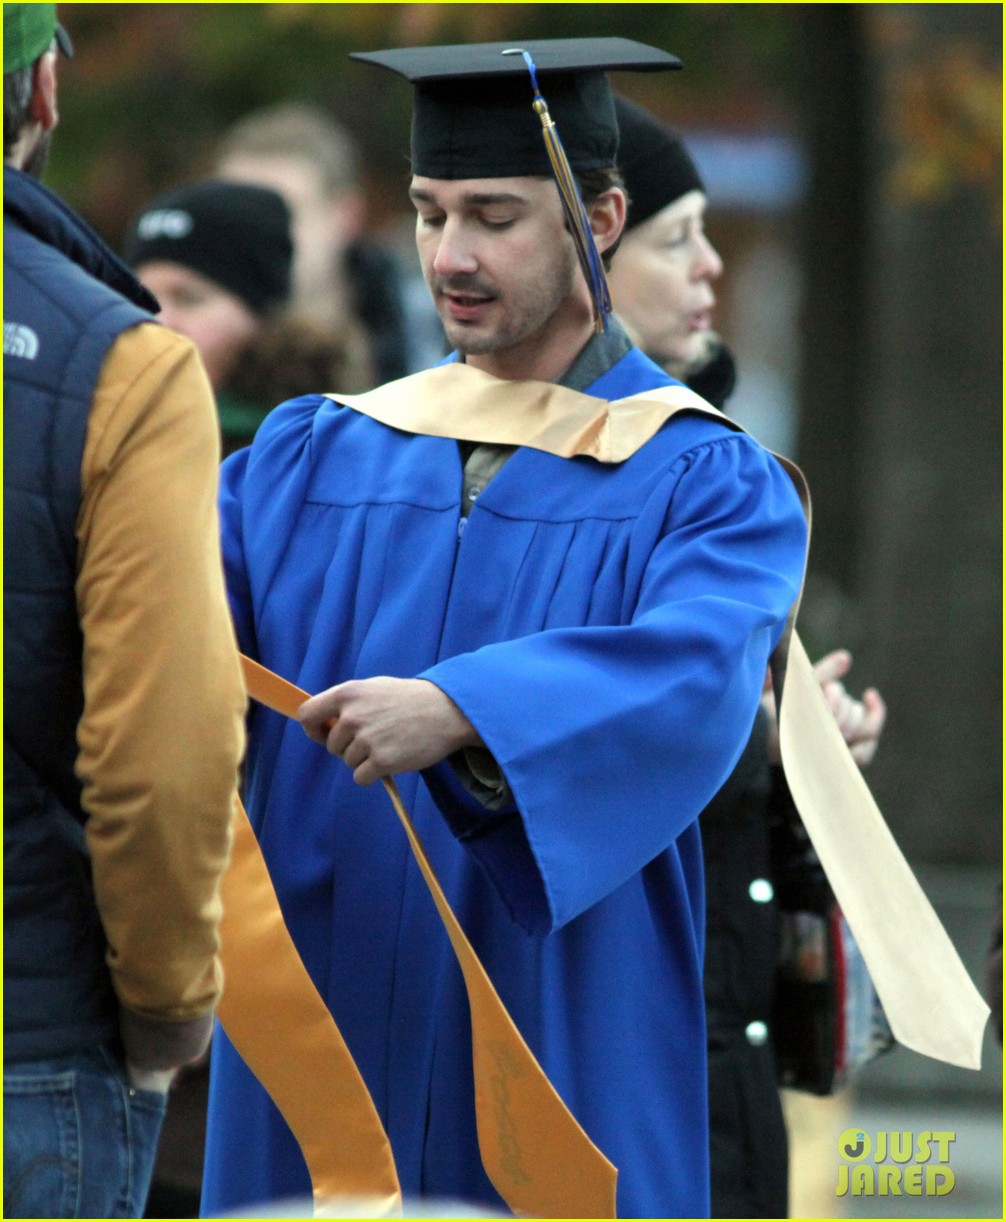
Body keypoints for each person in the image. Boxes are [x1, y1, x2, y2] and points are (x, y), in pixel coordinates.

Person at [200, 38, 809, 1220]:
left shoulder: (706, 480)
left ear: (601, 217)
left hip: (562, 1022)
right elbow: (158, 638)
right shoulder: (314, 453)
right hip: (316, 1023)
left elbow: (693, 673)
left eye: (493, 215)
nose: (449, 255)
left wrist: (468, 709)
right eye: (429, 214)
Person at [609, 94, 888, 1217]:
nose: (711, 266)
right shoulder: (569, 482)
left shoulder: (714, 461)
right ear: (588, 249)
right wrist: (753, 739)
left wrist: (799, 746)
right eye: (676, 239)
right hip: (634, 1052)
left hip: (730, 1037)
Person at [3, 5, 247, 1219]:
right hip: (29, 1043)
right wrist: (167, 1004)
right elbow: (161, 755)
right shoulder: (121, 363)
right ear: (43, 88)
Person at [123, 178, 368, 458]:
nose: (158, 322)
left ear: (262, 317)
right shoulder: (104, 431)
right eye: (140, 298)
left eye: (188, 299)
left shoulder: (324, 448)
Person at [213, 101, 443, 384]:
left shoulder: (430, 327)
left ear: (346, 215)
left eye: (279, 213)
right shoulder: (194, 341)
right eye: (235, 215)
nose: (254, 235)